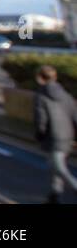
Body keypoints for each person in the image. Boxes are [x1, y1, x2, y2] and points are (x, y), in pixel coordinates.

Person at [33, 64, 77, 203]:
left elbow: (41, 119)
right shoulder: (66, 95)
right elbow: (75, 116)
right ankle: (54, 195)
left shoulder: (40, 96)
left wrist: (39, 135)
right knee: (55, 166)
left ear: (40, 78)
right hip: (68, 135)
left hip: (53, 136)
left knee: (58, 167)